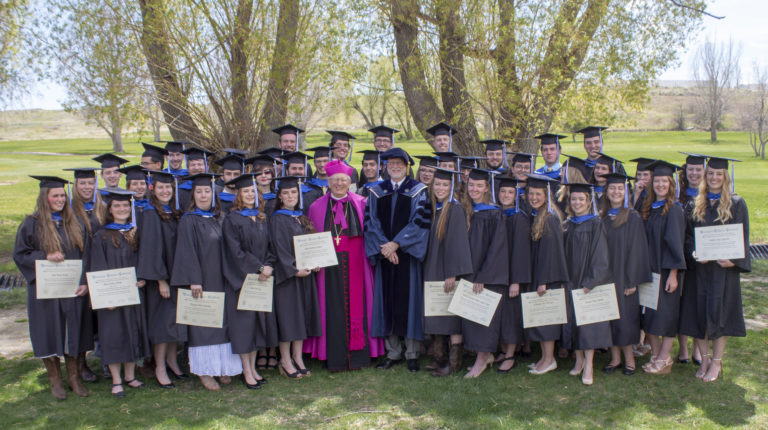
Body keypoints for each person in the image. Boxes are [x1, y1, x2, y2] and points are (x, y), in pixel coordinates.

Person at [13, 176, 92, 399]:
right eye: (55, 195)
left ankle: (74, 378)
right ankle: (55, 380)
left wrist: (84, 282)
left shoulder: (74, 222)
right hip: (46, 292)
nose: (60, 199)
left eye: (62, 195)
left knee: (72, 332)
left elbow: (86, 254)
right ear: (44, 198)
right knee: (48, 332)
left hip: (71, 290)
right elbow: (20, 254)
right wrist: (44, 256)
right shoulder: (32, 223)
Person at [304, 160, 385, 371]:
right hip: (327, 266)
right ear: (328, 182)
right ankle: (333, 354)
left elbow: (372, 233)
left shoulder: (362, 203)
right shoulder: (316, 207)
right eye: (335, 180)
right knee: (330, 305)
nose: (339, 183)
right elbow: (310, 240)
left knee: (360, 304)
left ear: (350, 182)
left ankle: (361, 354)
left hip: (358, 263)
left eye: (343, 180)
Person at [171, 173, 242, 391]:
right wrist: (194, 280)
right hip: (202, 280)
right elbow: (186, 251)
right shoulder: (188, 220)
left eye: (207, 191)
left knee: (223, 323)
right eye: (199, 191)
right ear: (193, 194)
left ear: (214, 194)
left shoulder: (221, 217)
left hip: (221, 278)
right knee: (202, 325)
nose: (203, 195)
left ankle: (222, 367)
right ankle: (204, 370)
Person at [365, 148, 430, 372]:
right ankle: (393, 353)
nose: (394, 167)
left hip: (407, 256)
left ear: (407, 166)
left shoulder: (418, 191)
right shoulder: (375, 191)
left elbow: (419, 222)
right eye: (391, 163)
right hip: (386, 257)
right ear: (385, 166)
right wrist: (385, 247)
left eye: (399, 164)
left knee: (409, 303)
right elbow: (371, 222)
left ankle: (412, 354)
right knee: (387, 303)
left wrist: (397, 244)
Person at [688, 156, 750, 382]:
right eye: (710, 174)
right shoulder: (697, 203)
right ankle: (704, 358)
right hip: (701, 270)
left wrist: (733, 260)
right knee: (699, 315)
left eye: (718, 174)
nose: (714, 177)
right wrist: (694, 253)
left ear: (725, 177)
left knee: (719, 315)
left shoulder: (736, 203)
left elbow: (743, 238)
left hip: (723, 272)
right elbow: (689, 238)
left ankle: (716, 362)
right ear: (706, 176)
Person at [88, 188, 151, 397]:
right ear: (110, 210)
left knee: (133, 332)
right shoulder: (101, 236)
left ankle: (131, 376)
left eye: (125, 205)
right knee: (114, 335)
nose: (122, 209)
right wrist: (106, 297)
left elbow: (143, 261)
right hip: (111, 298)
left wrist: (143, 278)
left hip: (133, 294)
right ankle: (116, 380)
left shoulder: (135, 232)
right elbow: (97, 267)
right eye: (117, 206)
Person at [221, 173, 276, 388]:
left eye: (253, 191)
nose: (250, 195)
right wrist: (259, 267)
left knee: (256, 326)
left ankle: (253, 367)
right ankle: (246, 370)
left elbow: (270, 247)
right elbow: (235, 252)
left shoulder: (261, 217)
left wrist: (269, 266)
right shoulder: (232, 219)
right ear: (238, 194)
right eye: (246, 191)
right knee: (244, 327)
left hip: (261, 280)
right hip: (242, 281)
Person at [136, 170, 188, 388]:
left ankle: (172, 361)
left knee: (174, 323)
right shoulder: (150, 213)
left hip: (176, 277)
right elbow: (150, 248)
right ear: (153, 189)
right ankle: (159, 366)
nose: (165, 191)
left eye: (168, 187)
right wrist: (161, 280)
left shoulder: (173, 212)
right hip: (162, 280)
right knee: (162, 325)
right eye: (161, 188)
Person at [269, 176, 322, 378]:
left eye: (293, 192)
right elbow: (279, 249)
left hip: (305, 275)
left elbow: (311, 243)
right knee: (288, 319)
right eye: (286, 193)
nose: (290, 196)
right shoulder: (277, 219)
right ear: (280, 197)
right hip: (288, 277)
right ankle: (284, 359)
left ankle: (298, 357)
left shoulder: (300, 216)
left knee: (301, 317)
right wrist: (292, 269)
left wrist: (316, 260)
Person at [599, 173, 651, 377]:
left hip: (624, 277)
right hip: (606, 277)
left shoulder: (632, 217)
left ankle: (629, 359)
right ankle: (615, 358)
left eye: (620, 189)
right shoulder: (602, 217)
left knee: (626, 319)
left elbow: (638, 250)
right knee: (609, 317)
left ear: (626, 191)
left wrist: (632, 280)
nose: (616, 192)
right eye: (612, 188)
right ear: (606, 191)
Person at [421, 168, 472, 376]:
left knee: (451, 318)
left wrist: (452, 273)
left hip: (446, 268)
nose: (440, 188)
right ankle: (439, 358)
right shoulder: (435, 208)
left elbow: (457, 244)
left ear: (452, 187)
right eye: (437, 185)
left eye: (445, 185)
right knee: (437, 312)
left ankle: (453, 363)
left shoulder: (455, 209)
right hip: (433, 265)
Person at [561, 182, 613, 386]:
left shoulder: (595, 223)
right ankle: (579, 360)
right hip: (571, 280)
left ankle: (589, 364)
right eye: (574, 199)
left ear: (589, 201)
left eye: (581, 199)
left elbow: (601, 254)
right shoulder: (569, 223)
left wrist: (590, 282)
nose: (577, 203)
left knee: (588, 324)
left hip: (587, 281)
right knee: (573, 321)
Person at [640, 160, 686, 375]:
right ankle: (658, 356)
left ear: (671, 184)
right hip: (649, 270)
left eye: (664, 181)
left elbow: (676, 244)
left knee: (666, 316)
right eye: (656, 181)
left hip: (666, 270)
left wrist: (674, 274)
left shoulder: (674, 210)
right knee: (648, 315)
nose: (660, 185)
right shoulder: (649, 208)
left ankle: (665, 356)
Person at [462, 168, 509, 378]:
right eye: (471, 185)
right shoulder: (465, 209)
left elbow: (497, 248)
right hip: (469, 271)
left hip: (486, 275)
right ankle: (482, 357)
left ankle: (482, 359)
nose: (474, 189)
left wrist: (483, 275)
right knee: (471, 317)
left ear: (486, 188)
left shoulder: (494, 213)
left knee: (485, 318)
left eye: (479, 185)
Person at [524, 174, 568, 375]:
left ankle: (549, 360)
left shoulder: (549, 218)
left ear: (546, 195)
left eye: (538, 194)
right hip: (540, 275)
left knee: (546, 321)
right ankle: (544, 358)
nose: (534, 197)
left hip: (547, 278)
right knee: (540, 319)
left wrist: (543, 282)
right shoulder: (539, 214)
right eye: (531, 193)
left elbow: (550, 255)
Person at [496, 176, 532, 373]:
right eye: (503, 192)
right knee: (501, 316)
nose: (506, 195)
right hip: (499, 274)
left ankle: (510, 355)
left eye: (510, 192)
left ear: (516, 195)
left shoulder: (519, 218)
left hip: (512, 276)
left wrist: (516, 281)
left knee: (511, 317)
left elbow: (520, 253)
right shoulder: (497, 214)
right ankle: (502, 351)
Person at [677, 152, 706, 366]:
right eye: (691, 170)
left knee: (698, 303)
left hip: (703, 257)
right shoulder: (679, 194)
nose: (694, 173)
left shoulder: (709, 195)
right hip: (682, 254)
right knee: (681, 302)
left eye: (698, 169)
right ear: (685, 172)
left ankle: (698, 348)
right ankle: (683, 349)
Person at [63, 167, 103, 234]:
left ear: (95, 185)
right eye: (82, 183)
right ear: (76, 185)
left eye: (90, 183)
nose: (87, 187)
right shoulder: (69, 209)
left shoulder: (103, 208)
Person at [177, 147, 215, 211]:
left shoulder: (213, 188)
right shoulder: (180, 191)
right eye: (193, 165)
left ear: (207, 167)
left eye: (199, 164)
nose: (196, 168)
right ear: (188, 168)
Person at [246, 154, 280, 218]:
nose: (263, 175)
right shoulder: (249, 198)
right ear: (254, 176)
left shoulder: (278, 198)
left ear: (272, 174)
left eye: (267, 172)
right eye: (259, 173)